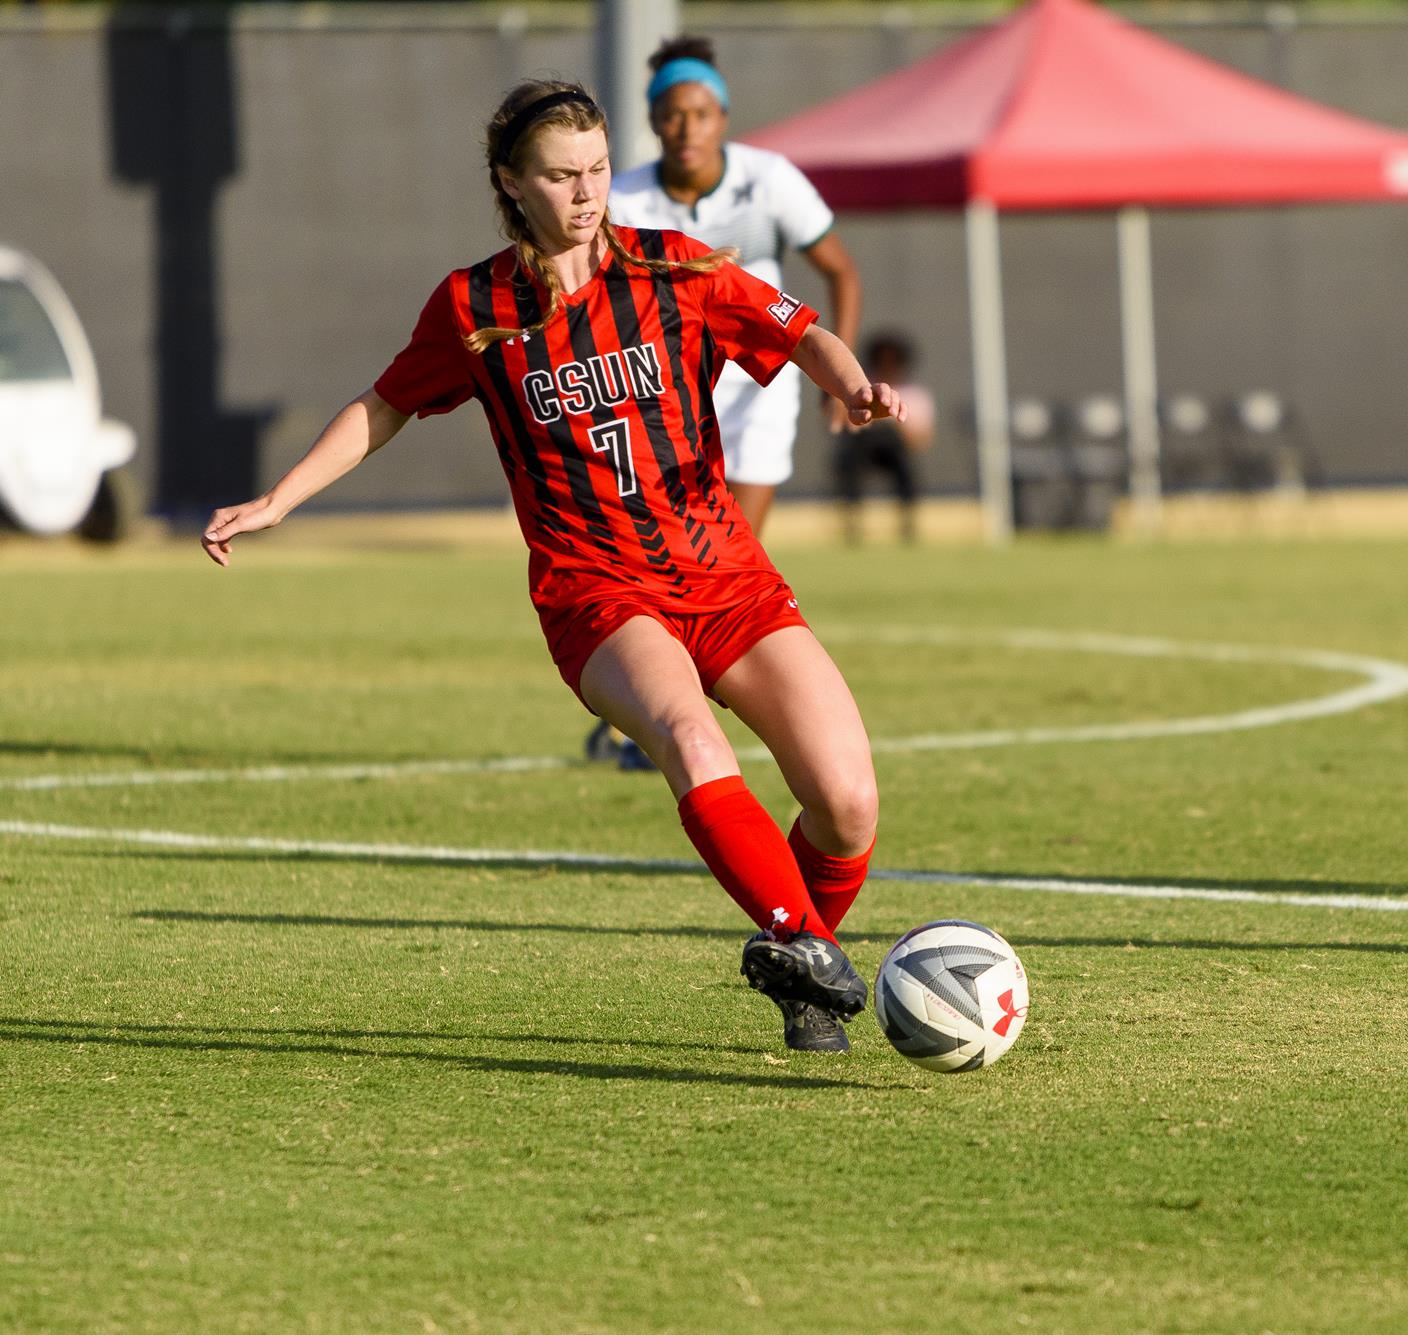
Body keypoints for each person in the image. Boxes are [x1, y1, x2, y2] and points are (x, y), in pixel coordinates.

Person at [199, 81, 901, 1056]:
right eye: (561, 175)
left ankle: (802, 968)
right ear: (510, 183)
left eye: (599, 170)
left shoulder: (676, 270)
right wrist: (280, 497)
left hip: (725, 577)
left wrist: (853, 383)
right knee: (689, 739)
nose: (586, 192)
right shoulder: (474, 305)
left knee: (848, 802)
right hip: (597, 593)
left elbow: (798, 328)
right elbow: (385, 403)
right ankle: (798, 945)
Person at [608, 35, 861, 538]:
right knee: (672, 538)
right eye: (672, 114)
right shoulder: (621, 199)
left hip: (763, 375)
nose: (687, 129)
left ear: (723, 118)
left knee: (737, 540)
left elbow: (841, 272)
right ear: (653, 119)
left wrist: (840, 376)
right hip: (671, 383)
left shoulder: (770, 179)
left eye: (702, 113)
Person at [835, 331, 935, 545]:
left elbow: (920, 440)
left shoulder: (914, 395)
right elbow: (839, 425)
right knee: (850, 463)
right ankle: (852, 526)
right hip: (861, 449)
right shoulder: (858, 392)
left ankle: (908, 525)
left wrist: (895, 427)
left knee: (903, 465)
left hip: (895, 453)